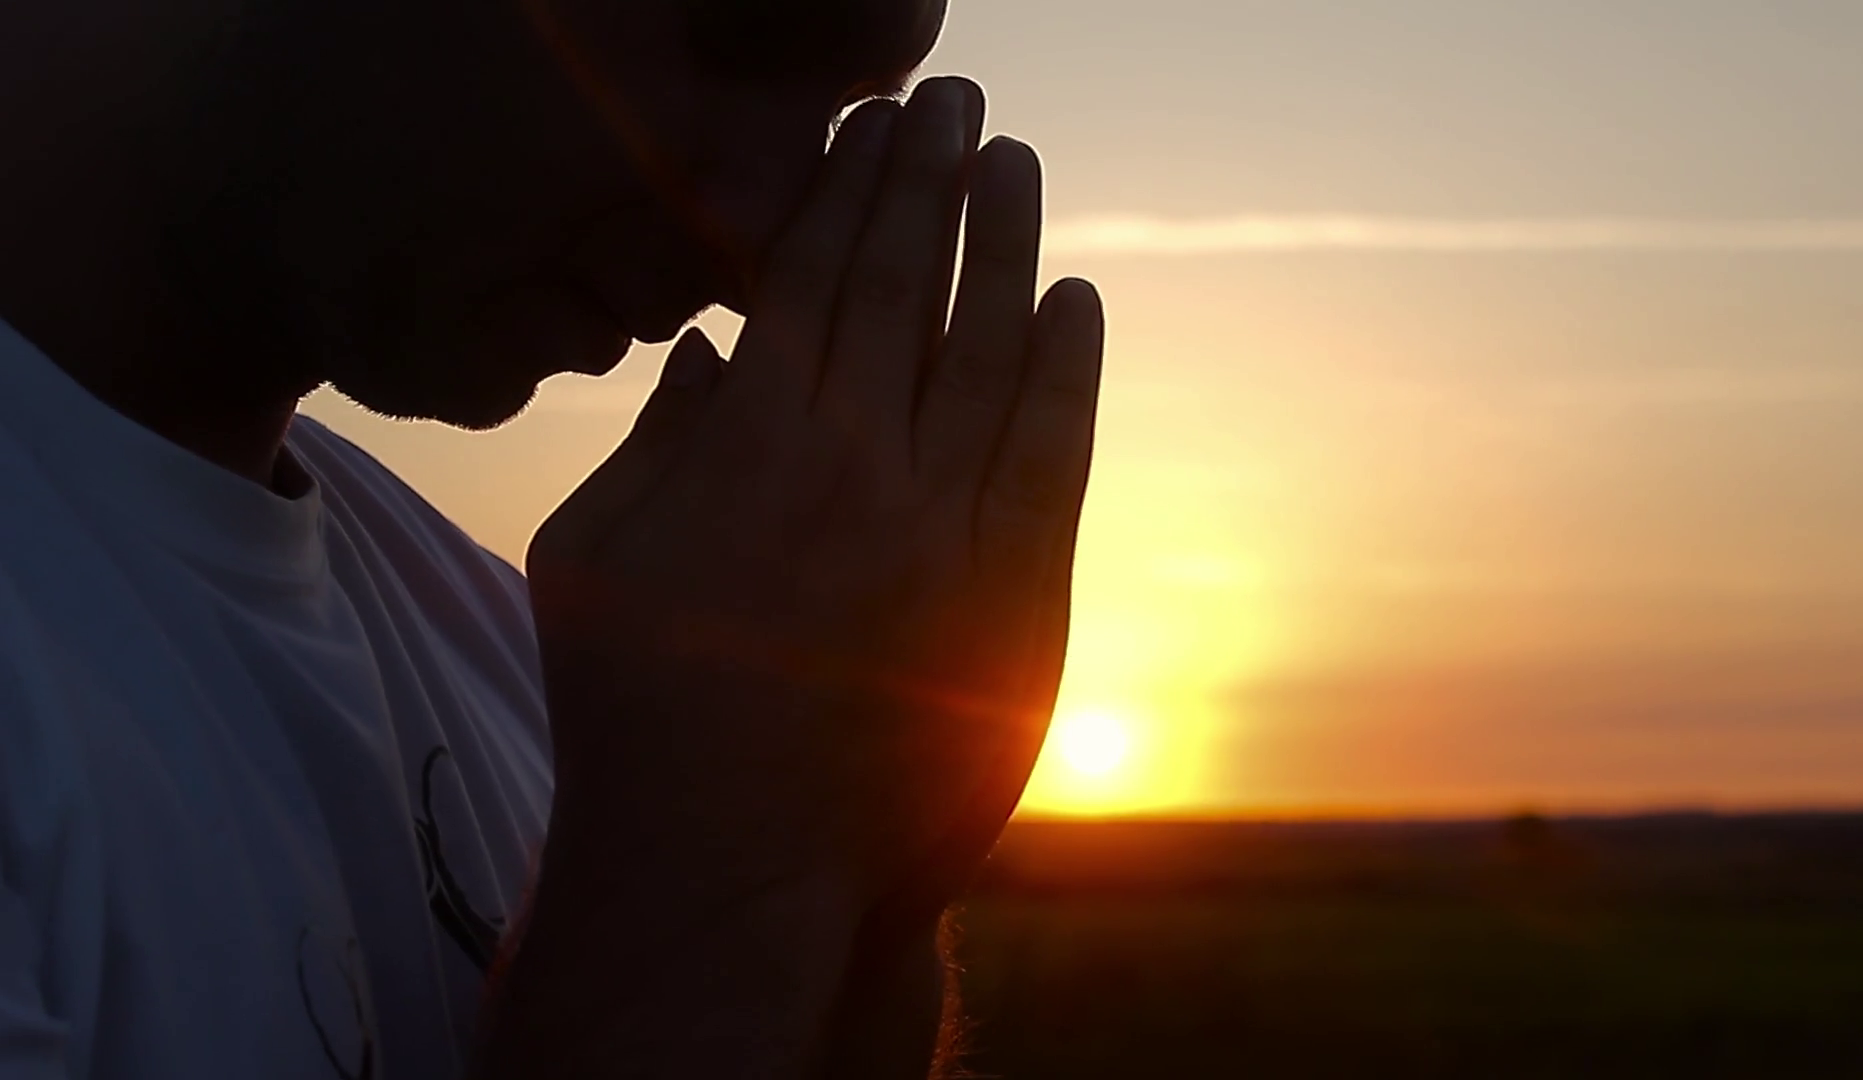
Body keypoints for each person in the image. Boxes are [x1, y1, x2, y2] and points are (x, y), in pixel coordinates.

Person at [0, 0, 1104, 1076]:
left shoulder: (546, 684)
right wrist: (716, 880)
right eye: (739, 34)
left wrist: (862, 895)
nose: (754, 246)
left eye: (842, 116)